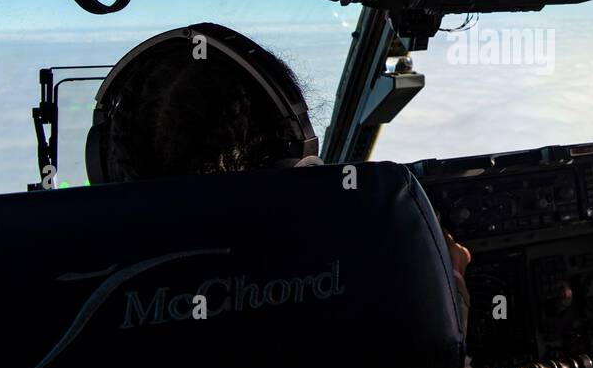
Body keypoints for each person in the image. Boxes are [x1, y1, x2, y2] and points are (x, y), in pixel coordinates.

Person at [95, 23, 471, 301]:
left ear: (105, 163)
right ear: (295, 166)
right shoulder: (320, 296)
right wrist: (448, 284)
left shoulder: (90, 297)